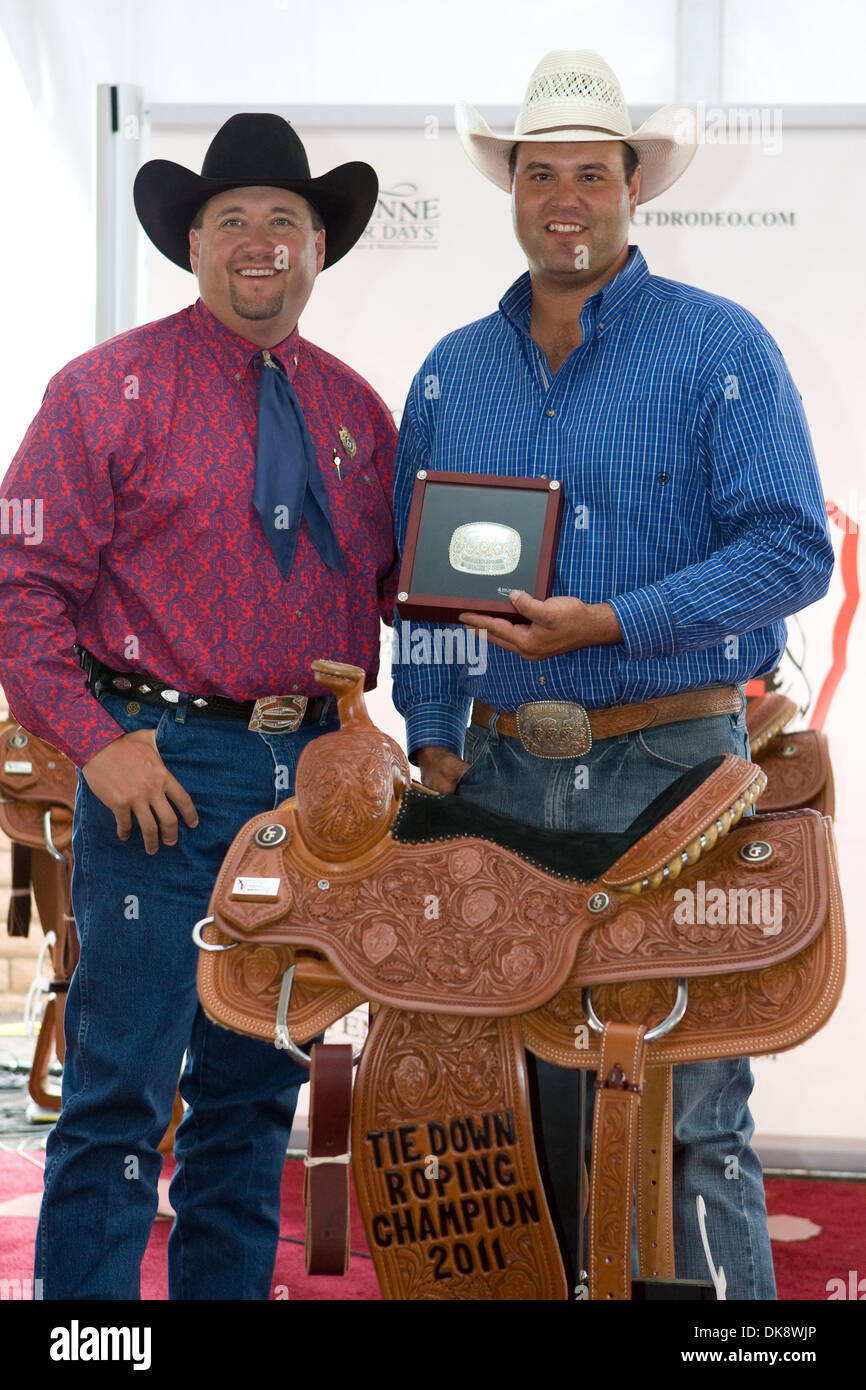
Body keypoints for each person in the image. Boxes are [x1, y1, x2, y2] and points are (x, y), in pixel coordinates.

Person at [392, 50, 833, 1300]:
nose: (566, 196)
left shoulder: (717, 348)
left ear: (633, 184)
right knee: (507, 1116)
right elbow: (416, 592)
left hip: (672, 771)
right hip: (486, 770)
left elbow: (792, 549)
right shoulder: (447, 372)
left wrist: (612, 622)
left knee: (692, 1105)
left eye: (592, 170)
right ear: (513, 189)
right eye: (543, 173)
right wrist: (429, 740)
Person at [0, 113, 398, 1299]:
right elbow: (17, 589)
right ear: (192, 242)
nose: (261, 240)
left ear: (319, 244)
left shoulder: (356, 415)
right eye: (234, 219)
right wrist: (99, 744)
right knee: (120, 1093)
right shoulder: (101, 392)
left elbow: (403, 592)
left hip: (310, 786)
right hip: (159, 773)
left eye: (286, 217)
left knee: (252, 1099)